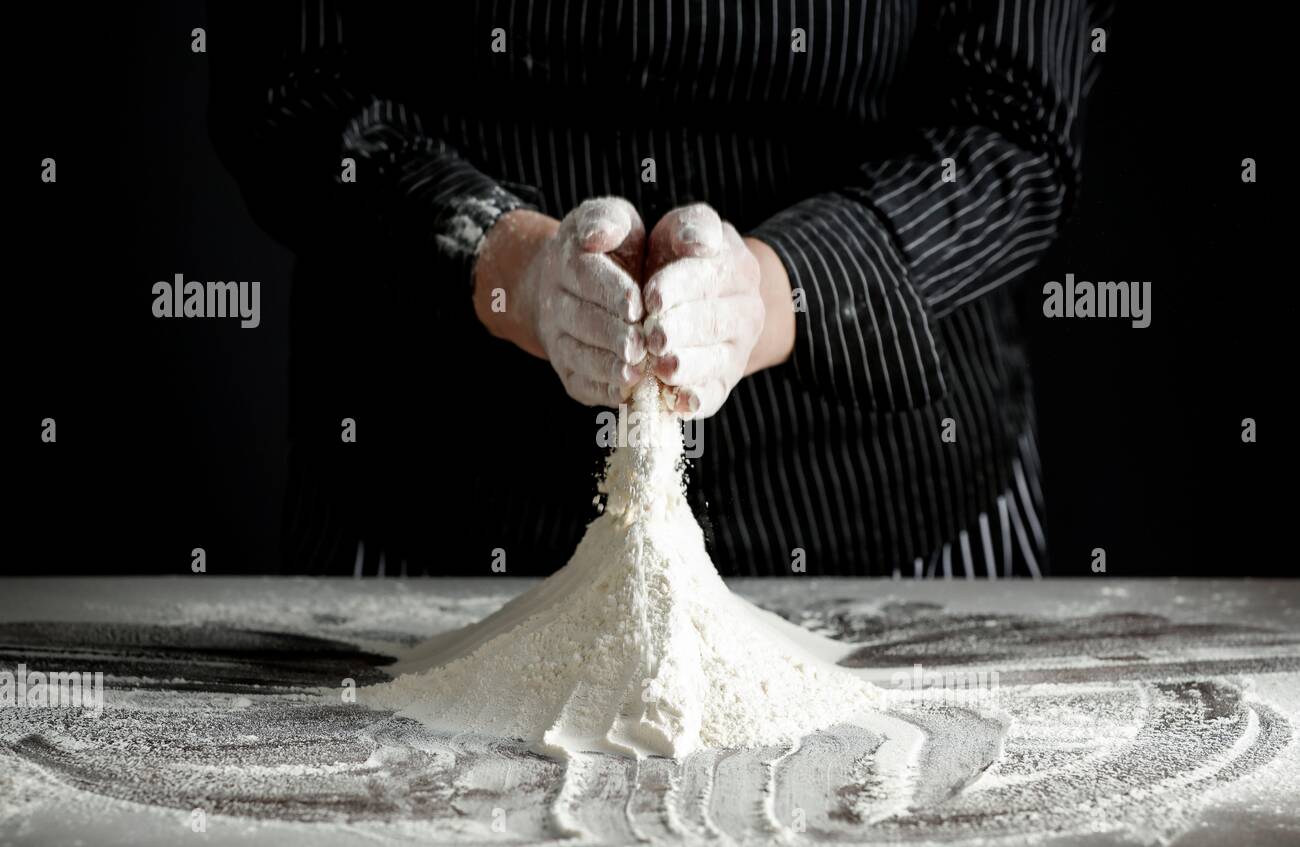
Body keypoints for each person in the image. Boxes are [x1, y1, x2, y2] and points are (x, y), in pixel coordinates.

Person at [209, 1, 1109, 578]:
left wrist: (770, 290)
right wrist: (508, 266)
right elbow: (290, 83)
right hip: (435, 498)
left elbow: (1013, 122)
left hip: (880, 510)